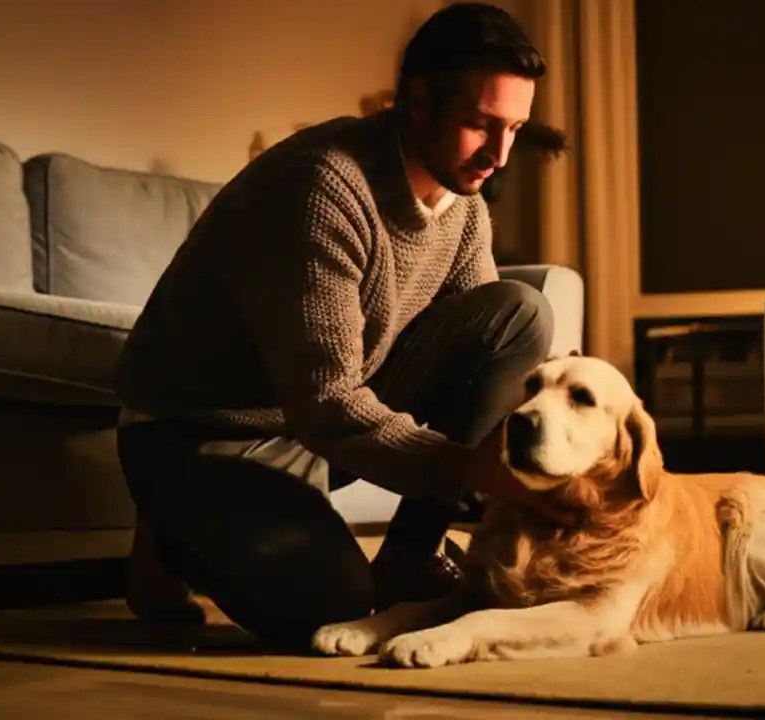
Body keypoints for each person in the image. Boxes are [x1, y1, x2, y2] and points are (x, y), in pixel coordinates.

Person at [112, 2, 567, 648]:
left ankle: (410, 555)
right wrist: (467, 471)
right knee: (336, 605)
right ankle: (168, 532)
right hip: (199, 437)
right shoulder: (325, 189)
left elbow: (486, 354)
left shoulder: (463, 206)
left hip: (304, 427)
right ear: (416, 102)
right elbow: (327, 403)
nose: (499, 153)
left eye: (516, 129)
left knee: (519, 314)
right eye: (478, 124)